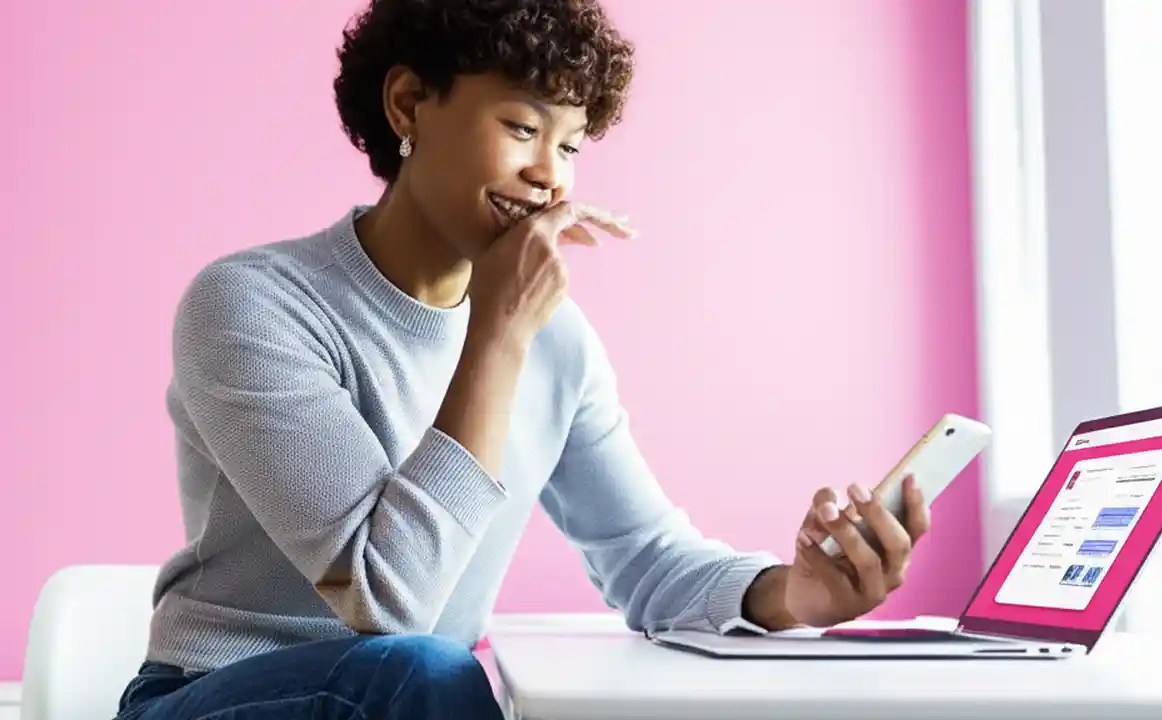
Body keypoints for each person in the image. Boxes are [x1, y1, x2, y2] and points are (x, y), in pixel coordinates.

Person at [113, 0, 932, 717]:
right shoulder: (253, 305)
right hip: (216, 696)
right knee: (420, 672)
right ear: (408, 105)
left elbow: (647, 558)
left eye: (571, 146)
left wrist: (793, 593)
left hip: (412, 702)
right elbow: (387, 604)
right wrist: (496, 332)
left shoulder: (556, 339)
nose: (548, 176)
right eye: (522, 127)